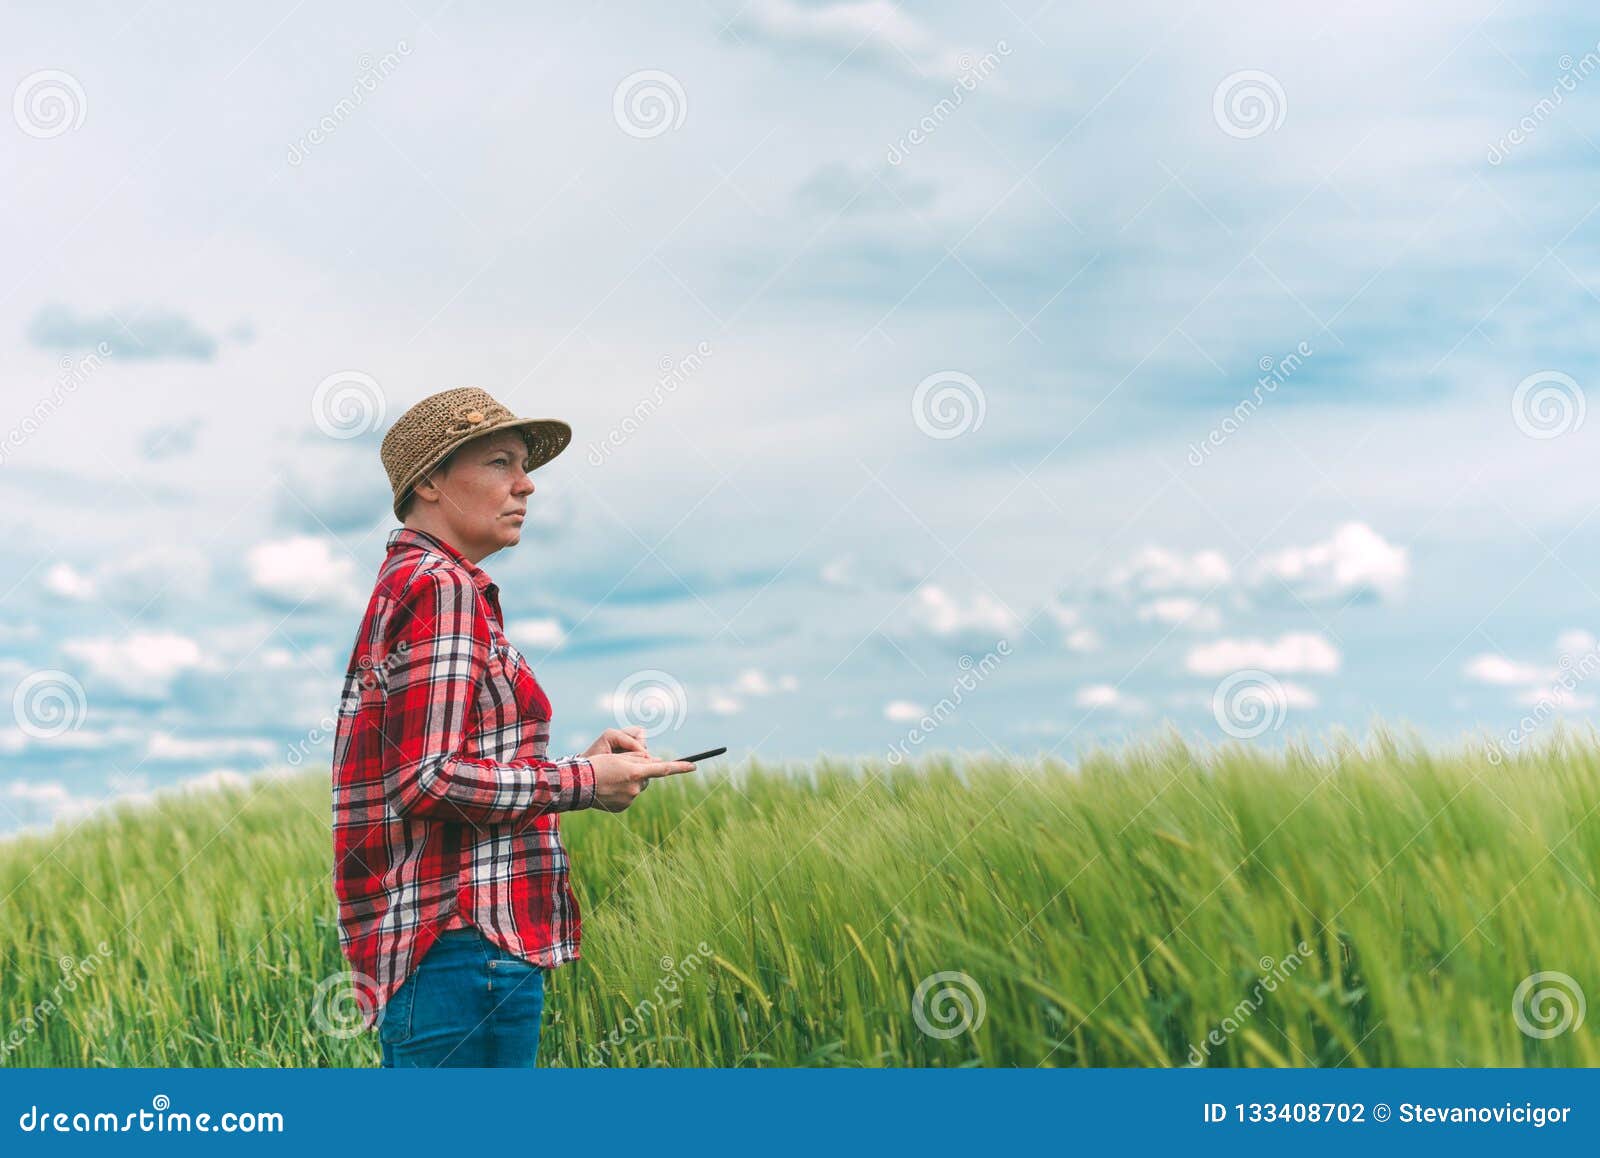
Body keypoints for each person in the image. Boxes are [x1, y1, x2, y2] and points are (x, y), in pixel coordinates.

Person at [330, 386, 695, 1067]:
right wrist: (585, 782)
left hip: (452, 949)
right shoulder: (443, 587)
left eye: (524, 465)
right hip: (465, 947)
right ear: (430, 481)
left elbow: (445, 762)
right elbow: (427, 780)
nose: (526, 485)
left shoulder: (412, 581)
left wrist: (579, 766)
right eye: (500, 462)